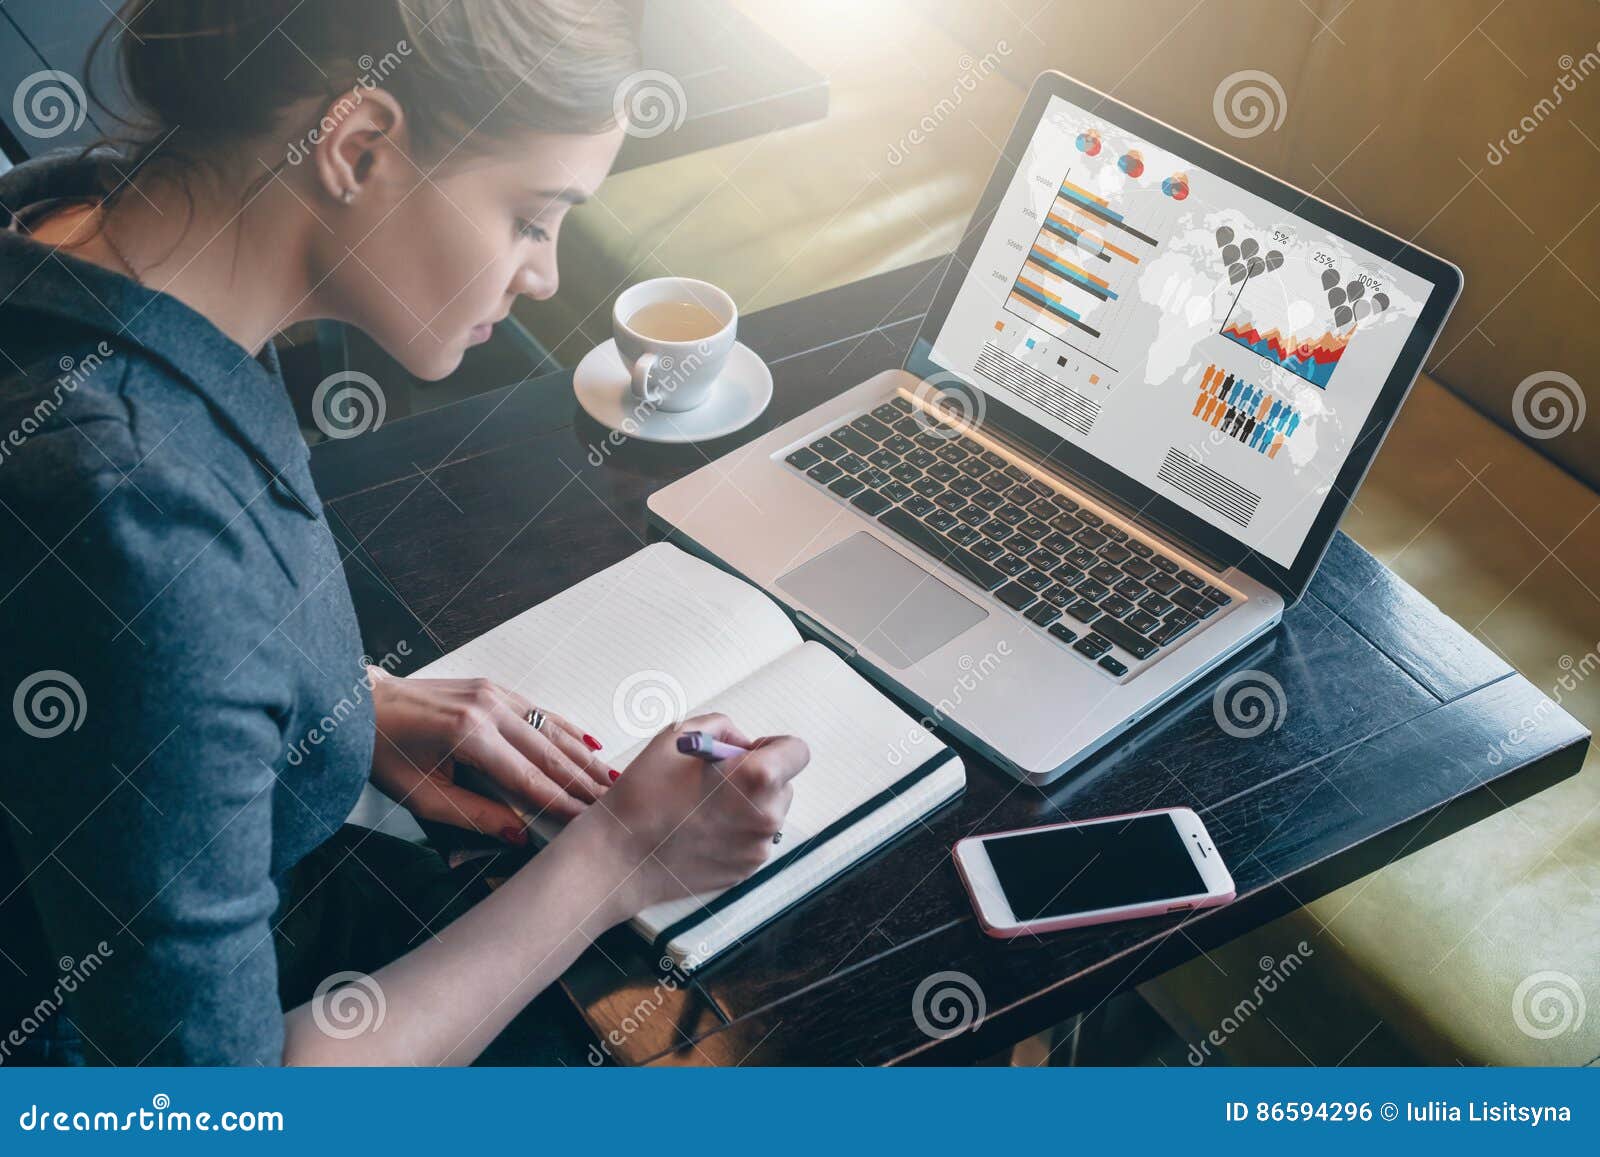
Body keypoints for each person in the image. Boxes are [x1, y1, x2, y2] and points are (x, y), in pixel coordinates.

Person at [0, 0, 807, 1066]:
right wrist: (615, 861)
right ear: (359, 145)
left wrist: (321, 699)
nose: (547, 275)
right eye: (530, 215)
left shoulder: (69, 226)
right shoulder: (141, 520)